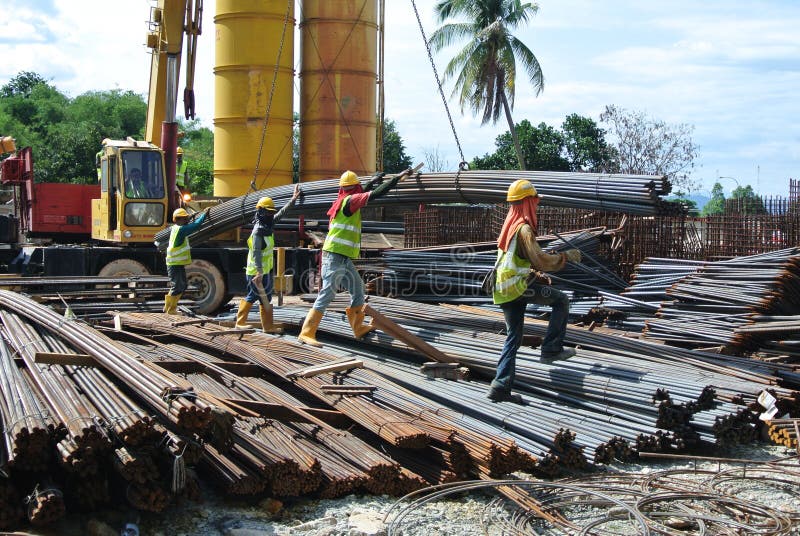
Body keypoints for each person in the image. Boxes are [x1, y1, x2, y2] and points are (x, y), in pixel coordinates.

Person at [488, 179, 582, 403]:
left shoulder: (509, 226)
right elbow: (540, 259)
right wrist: (565, 257)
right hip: (517, 288)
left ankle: (500, 387)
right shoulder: (524, 229)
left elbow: (517, 260)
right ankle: (551, 349)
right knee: (561, 300)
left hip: (503, 289)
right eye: (534, 202)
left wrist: (532, 274)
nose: (536, 206)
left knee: (514, 337)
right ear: (528, 202)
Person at [297, 169, 400, 347]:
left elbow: (362, 192)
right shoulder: (349, 202)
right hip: (334, 256)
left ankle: (358, 327)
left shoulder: (343, 200)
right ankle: (306, 332)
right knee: (328, 294)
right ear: (354, 187)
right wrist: (395, 179)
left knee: (358, 289)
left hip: (342, 258)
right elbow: (373, 195)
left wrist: (374, 180)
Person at [235, 184, 302, 331]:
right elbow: (256, 252)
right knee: (253, 295)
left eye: (272, 212)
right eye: (268, 212)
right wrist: (259, 271)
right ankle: (240, 322)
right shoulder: (258, 231)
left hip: (265, 270)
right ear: (260, 212)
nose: (270, 215)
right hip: (255, 272)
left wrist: (293, 200)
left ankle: (268, 326)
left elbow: (282, 213)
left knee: (266, 297)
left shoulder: (268, 226)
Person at [164, 207, 209, 314]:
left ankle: (168, 308)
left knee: (182, 286)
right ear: (178, 219)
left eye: (186, 218)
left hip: (176, 263)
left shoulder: (176, 228)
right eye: (184, 219)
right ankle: (170, 309)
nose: (186, 220)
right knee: (177, 286)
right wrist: (204, 214)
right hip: (174, 263)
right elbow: (196, 225)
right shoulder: (181, 230)